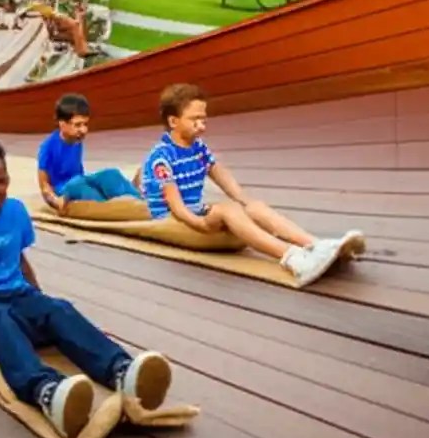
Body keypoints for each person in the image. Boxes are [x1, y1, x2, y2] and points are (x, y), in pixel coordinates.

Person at [0, 135, 174, 438]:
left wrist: (39, 298)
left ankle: (120, 370)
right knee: (2, 323)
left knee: (59, 309)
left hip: (18, 293)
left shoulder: (15, 211)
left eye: (0, 183)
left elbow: (20, 258)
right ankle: (46, 391)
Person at [138, 83, 365, 286]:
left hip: (194, 211)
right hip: (174, 220)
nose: (201, 125)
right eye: (194, 120)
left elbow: (219, 173)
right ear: (173, 121)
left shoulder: (198, 147)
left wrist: (246, 202)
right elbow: (176, 207)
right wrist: (202, 225)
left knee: (251, 206)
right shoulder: (162, 157)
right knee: (227, 209)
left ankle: (317, 246)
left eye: (204, 119)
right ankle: (293, 259)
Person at [37, 93, 140, 213]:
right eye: (78, 125)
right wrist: (55, 201)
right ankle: (109, 208)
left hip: (80, 180)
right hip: (65, 190)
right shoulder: (48, 147)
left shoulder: (76, 140)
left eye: (85, 124)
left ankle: (138, 199)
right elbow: (44, 186)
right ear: (62, 124)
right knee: (77, 184)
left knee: (110, 174)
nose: (84, 130)